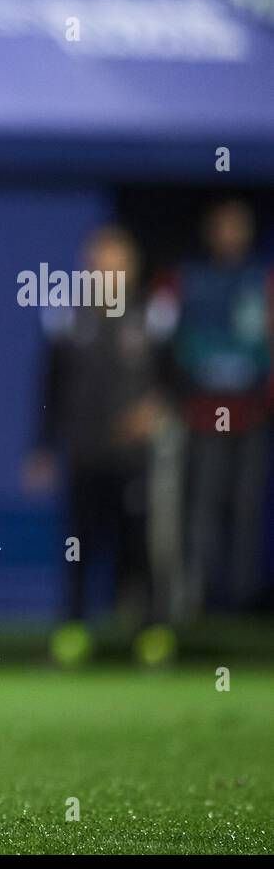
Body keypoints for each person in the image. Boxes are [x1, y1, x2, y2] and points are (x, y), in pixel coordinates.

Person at [24, 226, 173, 634]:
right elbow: (49, 386)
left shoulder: (153, 314)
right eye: (99, 262)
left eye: (115, 262)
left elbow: (174, 380)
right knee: (78, 547)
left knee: (139, 545)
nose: (106, 270)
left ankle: (152, 633)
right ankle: (72, 631)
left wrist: (153, 410)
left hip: (133, 457)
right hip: (83, 452)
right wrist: (41, 447)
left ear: (131, 267)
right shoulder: (68, 318)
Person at [160, 199, 272, 614]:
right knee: (203, 505)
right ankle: (203, 598)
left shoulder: (263, 280)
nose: (231, 236)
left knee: (247, 508)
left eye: (238, 227)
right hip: (203, 416)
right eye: (223, 227)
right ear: (211, 232)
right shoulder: (189, 279)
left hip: (253, 414)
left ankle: (242, 603)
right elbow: (169, 342)